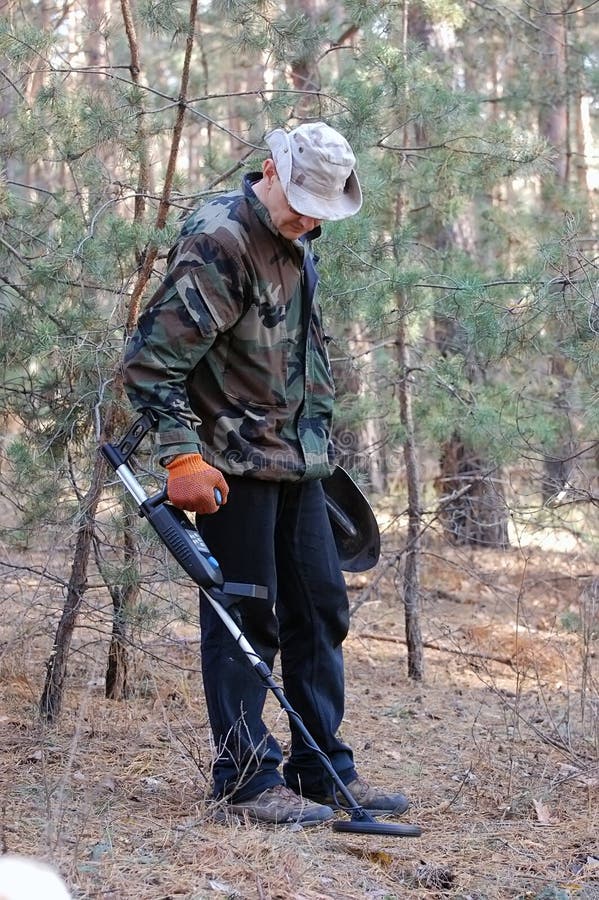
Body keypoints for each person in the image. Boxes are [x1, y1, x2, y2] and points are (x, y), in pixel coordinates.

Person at [123, 121, 410, 826]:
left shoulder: (299, 237)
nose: (311, 216)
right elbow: (150, 363)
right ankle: (247, 781)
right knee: (245, 618)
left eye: (323, 204)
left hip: (298, 461)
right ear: (268, 170)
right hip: (230, 467)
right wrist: (181, 456)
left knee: (318, 611)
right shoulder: (218, 240)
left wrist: (319, 449)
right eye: (302, 199)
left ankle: (320, 770)